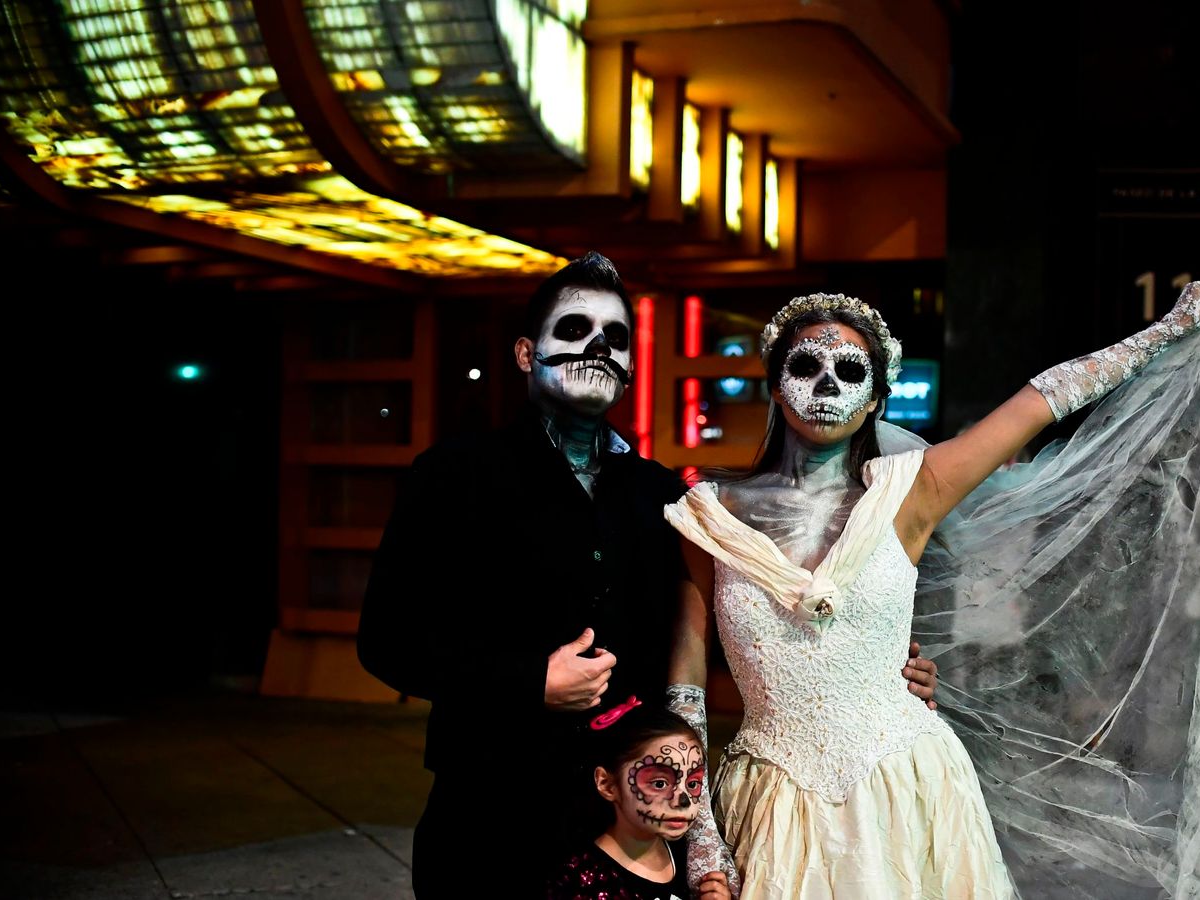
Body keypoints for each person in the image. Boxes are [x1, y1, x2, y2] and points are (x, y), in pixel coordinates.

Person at [662, 280, 1200, 897]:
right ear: (772, 381)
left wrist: (1170, 326)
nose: (825, 384)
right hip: (773, 803)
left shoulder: (914, 492)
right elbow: (686, 682)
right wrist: (701, 846)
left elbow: (1041, 402)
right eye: (804, 365)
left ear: (878, 396)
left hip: (909, 792)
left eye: (849, 370)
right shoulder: (710, 516)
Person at [357, 251, 940, 896]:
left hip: (628, 826)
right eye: (574, 330)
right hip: (493, 811)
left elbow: (725, 624)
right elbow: (387, 641)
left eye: (617, 337)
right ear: (527, 354)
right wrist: (528, 680)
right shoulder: (454, 475)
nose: (598, 347)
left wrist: (874, 662)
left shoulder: (661, 495)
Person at [546, 697, 732, 900]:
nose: (683, 800)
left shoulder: (688, 854)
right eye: (660, 783)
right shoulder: (581, 883)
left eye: (692, 783)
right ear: (607, 784)